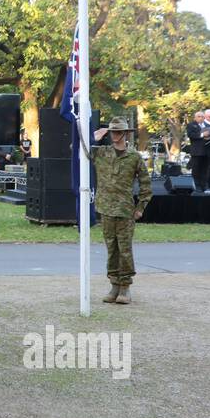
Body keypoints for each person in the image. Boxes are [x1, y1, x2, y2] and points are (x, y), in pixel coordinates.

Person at [88, 117, 152, 304]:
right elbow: (74, 148)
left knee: (125, 250)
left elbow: (146, 184)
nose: (115, 135)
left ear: (125, 133)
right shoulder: (101, 152)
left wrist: (140, 207)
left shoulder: (133, 157)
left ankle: (125, 287)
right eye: (112, 131)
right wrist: (94, 138)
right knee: (111, 249)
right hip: (106, 208)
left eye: (118, 132)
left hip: (125, 210)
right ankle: (114, 285)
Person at [185, 110, 209, 190]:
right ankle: (196, 185)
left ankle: (204, 185)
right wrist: (202, 135)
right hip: (197, 151)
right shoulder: (191, 125)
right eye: (199, 116)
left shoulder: (206, 125)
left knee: (204, 169)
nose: (201, 118)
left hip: (206, 151)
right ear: (195, 117)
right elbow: (191, 135)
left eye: (202, 116)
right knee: (196, 169)